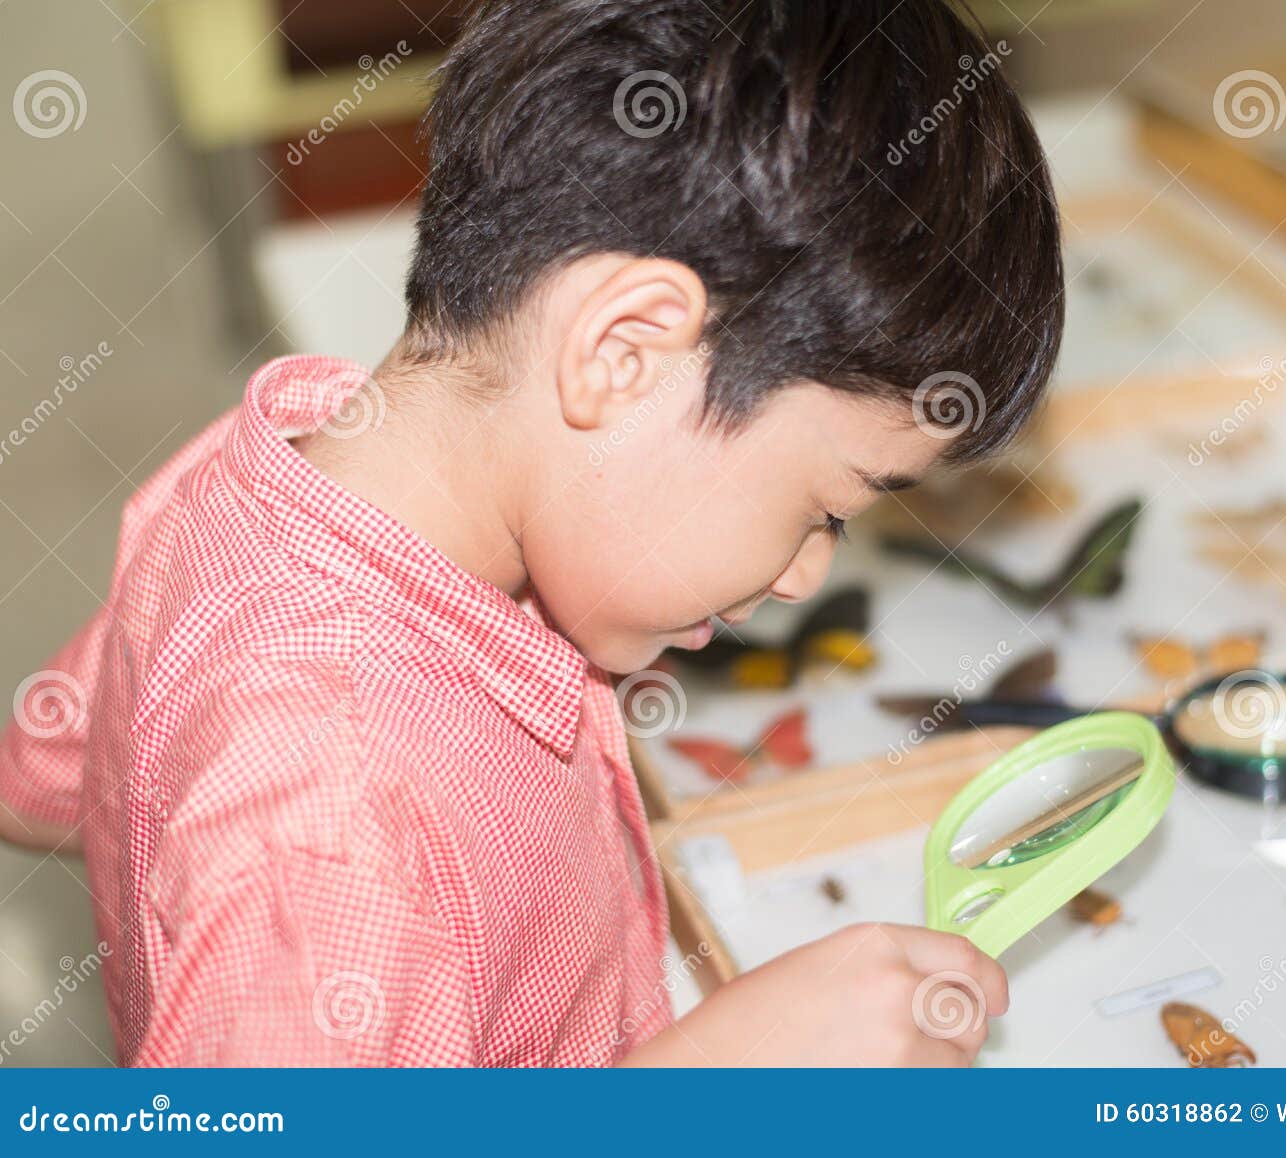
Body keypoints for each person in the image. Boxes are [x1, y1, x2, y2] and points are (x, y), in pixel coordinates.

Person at [0, 0, 1063, 1065]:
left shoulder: (265, 482)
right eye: (827, 508)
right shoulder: (332, 812)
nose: (805, 574)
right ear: (623, 352)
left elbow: (55, 771)